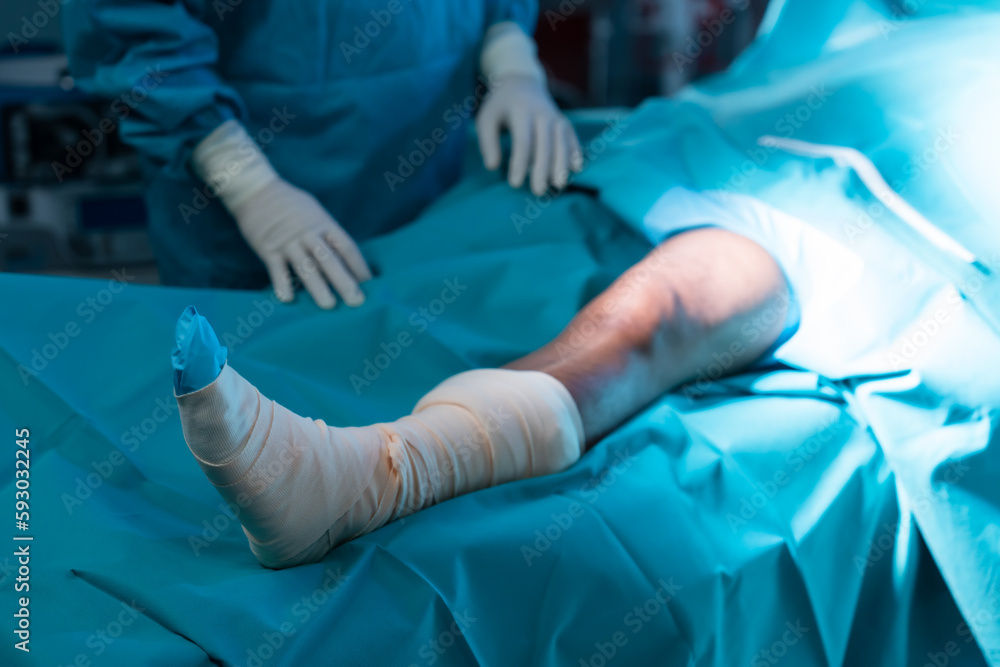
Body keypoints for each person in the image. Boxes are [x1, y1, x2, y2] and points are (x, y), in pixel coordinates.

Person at [171, 190, 798, 568]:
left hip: (788, 217)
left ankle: (386, 471)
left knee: (675, 306)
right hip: (598, 173)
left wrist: (511, 51)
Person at [62, 1, 581, 308]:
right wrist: (250, 187)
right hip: (242, 214)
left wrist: (510, 50)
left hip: (425, 177)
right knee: (253, 431)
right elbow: (128, 25)